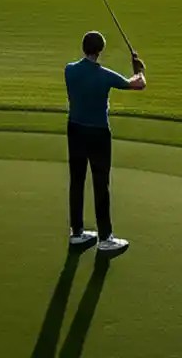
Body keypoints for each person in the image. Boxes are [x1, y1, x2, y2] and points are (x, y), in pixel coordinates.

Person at [63, 30, 146, 253]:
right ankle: (105, 237)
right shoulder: (105, 75)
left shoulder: (69, 70)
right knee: (101, 184)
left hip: (75, 129)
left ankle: (77, 232)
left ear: (84, 48)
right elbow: (138, 85)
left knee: (77, 180)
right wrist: (139, 69)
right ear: (100, 51)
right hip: (98, 132)